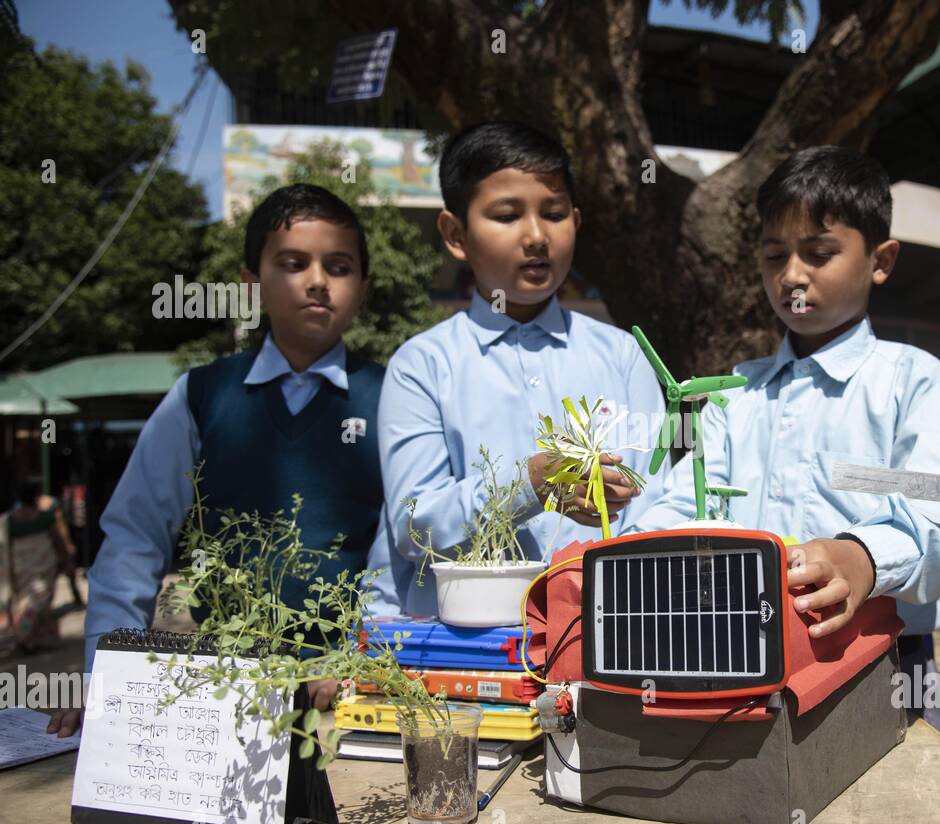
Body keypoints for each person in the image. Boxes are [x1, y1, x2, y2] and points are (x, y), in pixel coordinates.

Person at [630, 146, 940, 730]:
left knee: (892, 813)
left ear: (881, 260)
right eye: (774, 255)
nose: (792, 275)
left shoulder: (915, 381)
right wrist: (640, 547)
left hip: (880, 664)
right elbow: (684, 500)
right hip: (731, 657)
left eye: (820, 253)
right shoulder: (731, 391)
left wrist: (864, 558)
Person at [47, 184, 389, 736]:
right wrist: (106, 674)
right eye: (293, 263)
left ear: (363, 289)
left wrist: (358, 661)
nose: (318, 280)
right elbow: (135, 537)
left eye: (340, 265)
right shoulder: (201, 395)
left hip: (349, 696)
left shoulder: (394, 397)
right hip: (220, 693)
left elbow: (399, 549)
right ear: (251, 285)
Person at [377, 121, 666, 614]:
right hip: (460, 644)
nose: (536, 236)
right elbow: (414, 526)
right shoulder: (422, 366)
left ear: (576, 220)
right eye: (507, 215)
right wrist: (530, 483)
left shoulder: (624, 355)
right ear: (454, 233)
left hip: (598, 636)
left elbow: (657, 504)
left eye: (553, 214)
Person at [2, 476, 77, 653]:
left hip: (24, 569)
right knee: (33, 604)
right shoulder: (41, 518)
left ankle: (34, 639)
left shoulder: (13, 521)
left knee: (33, 603)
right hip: (39, 568)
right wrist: (66, 560)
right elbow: (58, 540)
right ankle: (25, 634)